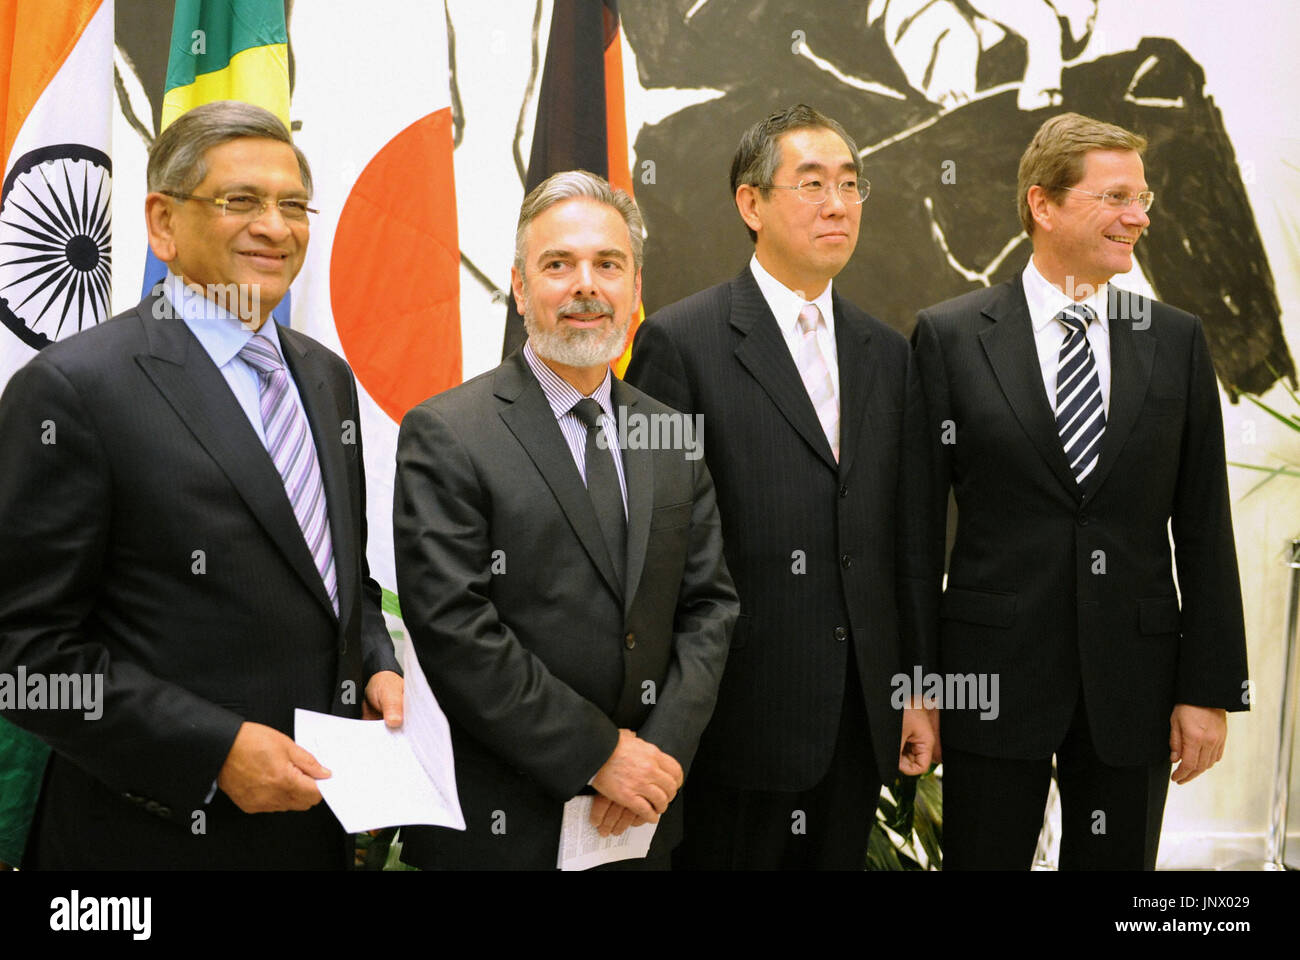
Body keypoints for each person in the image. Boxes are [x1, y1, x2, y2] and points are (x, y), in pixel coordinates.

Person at [0, 100, 402, 870]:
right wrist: (211, 749)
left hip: (316, 835)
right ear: (163, 222)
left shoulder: (325, 379)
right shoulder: (74, 390)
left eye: (293, 206)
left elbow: (334, 578)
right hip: (145, 841)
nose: (276, 228)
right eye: (240, 201)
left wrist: (377, 662)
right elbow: (24, 657)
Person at [911, 112, 1250, 870]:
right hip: (988, 683)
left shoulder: (1176, 340)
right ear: (1043, 204)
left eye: (1144, 198)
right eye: (1116, 197)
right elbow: (914, 530)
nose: (1140, 217)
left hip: (1134, 685)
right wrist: (919, 688)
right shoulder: (951, 336)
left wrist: (1210, 690)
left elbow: (1203, 528)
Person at [393, 170, 738, 871]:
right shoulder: (447, 432)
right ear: (520, 289)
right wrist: (600, 754)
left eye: (608, 265)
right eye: (558, 264)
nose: (586, 284)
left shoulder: (672, 433)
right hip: (498, 830)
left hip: (638, 825)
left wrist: (656, 756)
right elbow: (455, 629)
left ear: (635, 291)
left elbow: (709, 608)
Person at [624, 104, 937, 870]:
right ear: (751, 203)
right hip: (735, 723)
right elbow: (655, 548)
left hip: (860, 721)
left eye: (851, 185)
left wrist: (917, 686)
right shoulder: (680, 341)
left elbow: (910, 537)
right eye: (811, 184)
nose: (837, 203)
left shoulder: (888, 353)